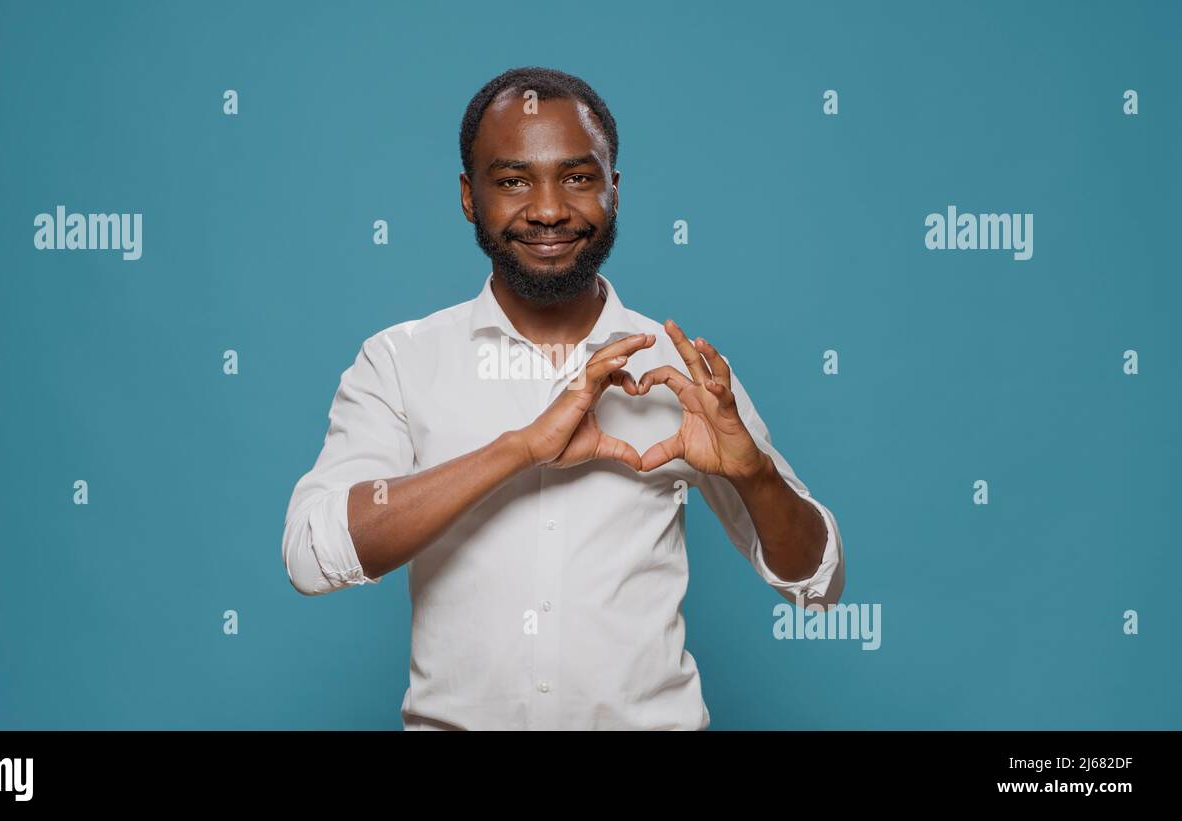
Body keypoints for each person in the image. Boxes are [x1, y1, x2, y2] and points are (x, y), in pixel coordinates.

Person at [282, 66, 845, 730]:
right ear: (469, 196)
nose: (548, 209)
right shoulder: (401, 361)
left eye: (578, 178)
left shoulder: (681, 368)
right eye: (513, 180)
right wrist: (519, 451)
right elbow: (313, 554)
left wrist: (754, 474)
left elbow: (816, 582)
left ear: (614, 189)